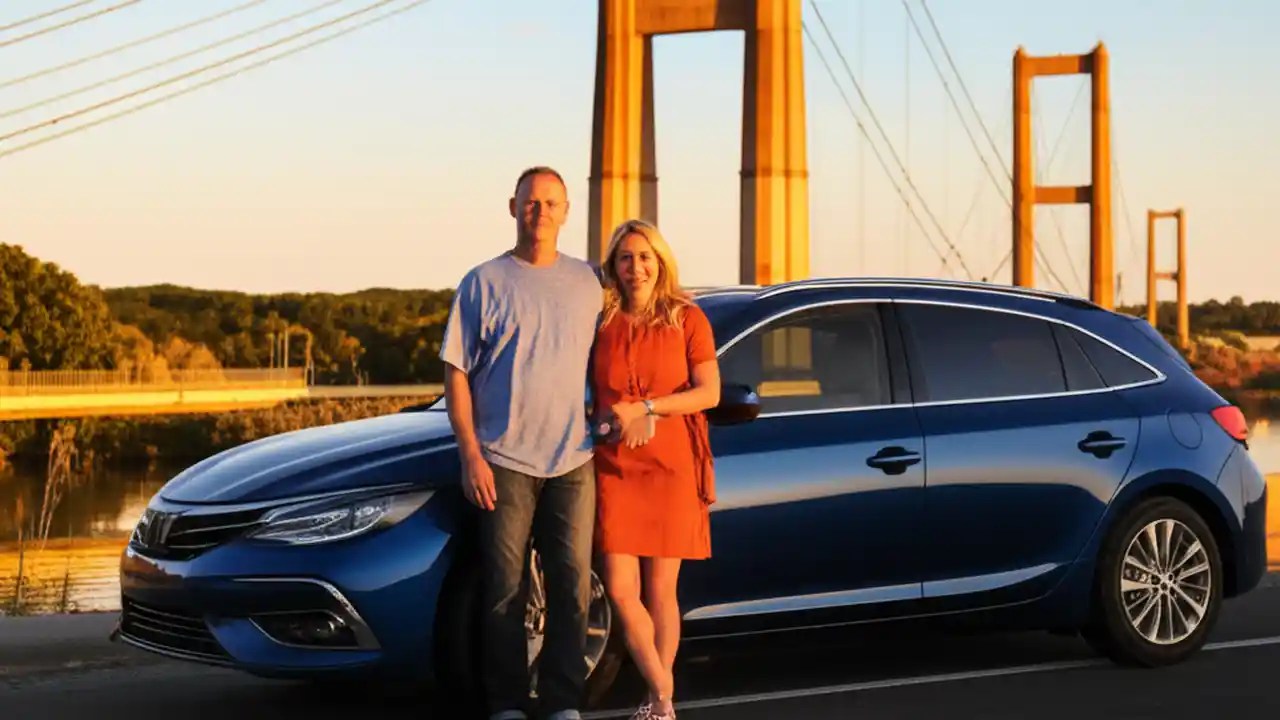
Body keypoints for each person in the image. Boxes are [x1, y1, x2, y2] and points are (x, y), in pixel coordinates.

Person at [439, 166, 604, 720]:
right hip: (503, 461)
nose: (541, 212)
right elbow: (456, 372)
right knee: (504, 591)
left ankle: (563, 703)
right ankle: (507, 704)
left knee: (572, 587)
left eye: (552, 203)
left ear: (566, 212)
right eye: (532, 203)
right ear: (513, 208)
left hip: (573, 459)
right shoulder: (482, 282)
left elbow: (623, 348)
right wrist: (470, 453)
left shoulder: (588, 283)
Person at [590, 218, 721, 720]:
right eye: (625, 258)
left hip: (670, 466)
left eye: (645, 257)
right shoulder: (600, 320)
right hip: (615, 466)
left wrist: (647, 408)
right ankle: (664, 692)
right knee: (621, 590)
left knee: (661, 591)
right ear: (614, 265)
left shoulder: (687, 318)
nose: (636, 267)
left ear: (660, 261)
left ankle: (658, 705)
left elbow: (708, 393)